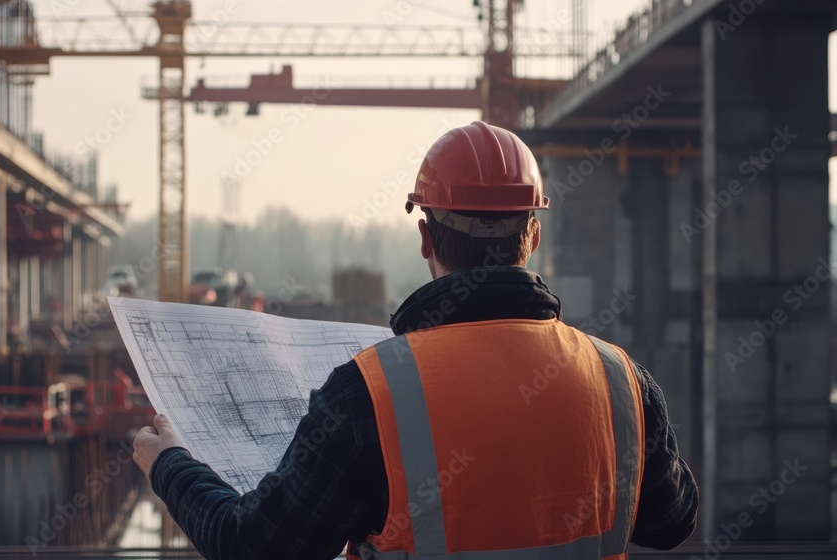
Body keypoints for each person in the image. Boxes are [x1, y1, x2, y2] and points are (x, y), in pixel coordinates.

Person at [133, 121, 699, 559]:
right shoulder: (622, 380)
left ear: (426, 236)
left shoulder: (368, 395)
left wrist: (170, 464)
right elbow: (672, 523)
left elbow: (252, 546)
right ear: (534, 233)